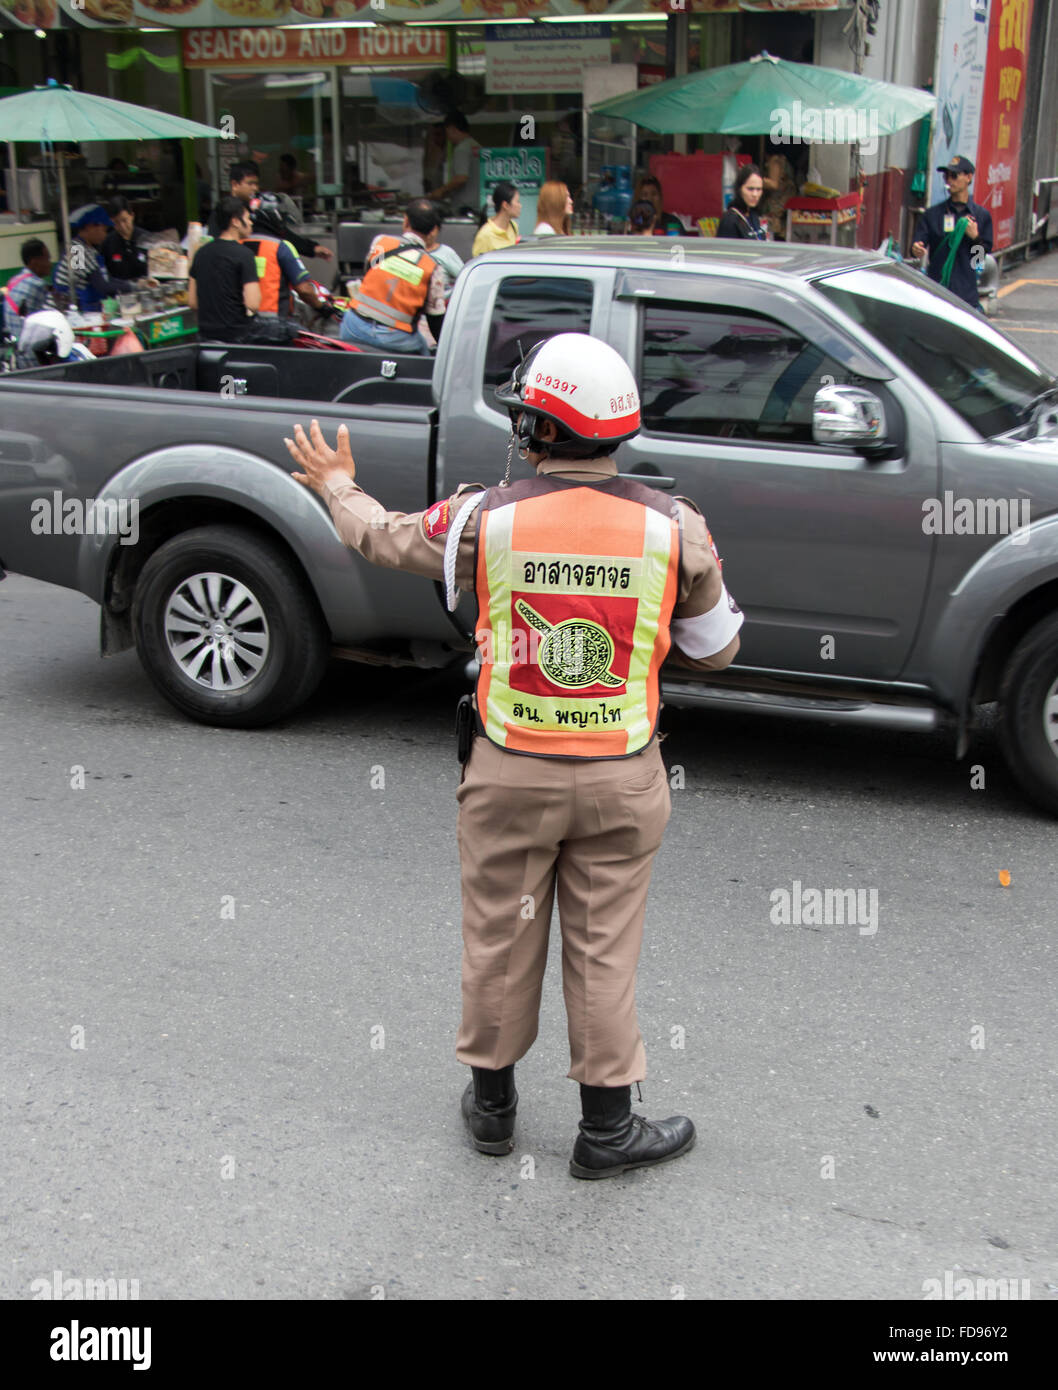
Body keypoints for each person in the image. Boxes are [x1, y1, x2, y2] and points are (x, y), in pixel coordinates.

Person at [284, 331, 744, 1180]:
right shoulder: (676, 529)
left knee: (498, 937)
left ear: (539, 429)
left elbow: (379, 537)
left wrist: (337, 485)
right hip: (621, 778)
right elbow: (718, 650)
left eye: (524, 418)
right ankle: (607, 1132)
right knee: (604, 947)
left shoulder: (482, 517)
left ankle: (493, 1111)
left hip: (507, 774)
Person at [339, 198, 446, 355]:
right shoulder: (433, 268)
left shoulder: (381, 242)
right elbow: (435, 320)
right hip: (395, 339)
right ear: (433, 230)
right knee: (425, 355)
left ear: (406, 221)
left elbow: (370, 271)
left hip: (353, 328)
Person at [911, 155, 994, 311]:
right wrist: (916, 248)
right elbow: (917, 244)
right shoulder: (933, 214)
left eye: (954, 176)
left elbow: (979, 262)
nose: (950, 180)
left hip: (965, 296)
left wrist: (975, 237)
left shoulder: (981, 216)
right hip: (937, 292)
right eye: (946, 176)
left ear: (969, 178)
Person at [209, 161, 333, 264]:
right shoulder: (221, 213)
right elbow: (214, 245)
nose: (255, 188)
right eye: (250, 183)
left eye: (256, 183)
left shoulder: (259, 211)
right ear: (235, 184)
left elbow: (281, 234)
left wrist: (312, 248)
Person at [188, 195, 260, 342]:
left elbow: (193, 302)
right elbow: (253, 304)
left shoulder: (201, 253)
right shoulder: (244, 254)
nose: (251, 222)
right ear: (235, 221)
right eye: (247, 218)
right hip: (236, 336)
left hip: (206, 336)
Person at [52, 205, 143, 312]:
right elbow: (102, 285)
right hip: (66, 310)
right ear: (90, 227)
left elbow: (106, 279)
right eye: (104, 230)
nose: (105, 235)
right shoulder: (77, 250)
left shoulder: (90, 250)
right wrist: (134, 287)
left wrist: (133, 284)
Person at [3, 238, 53, 364]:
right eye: (47, 259)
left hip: (16, 352)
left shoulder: (14, 281)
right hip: (32, 356)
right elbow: (54, 318)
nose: (50, 264)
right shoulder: (37, 285)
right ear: (34, 262)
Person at [428, 111, 478, 209]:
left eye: (446, 132)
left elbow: (461, 178)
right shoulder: (476, 146)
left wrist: (441, 190)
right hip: (477, 203)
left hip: (465, 206)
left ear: (452, 129)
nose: (447, 137)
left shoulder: (462, 149)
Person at [102, 196, 151, 282]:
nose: (122, 226)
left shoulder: (147, 239)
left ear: (132, 216)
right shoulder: (107, 243)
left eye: (125, 220)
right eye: (116, 222)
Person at [716, 165, 768, 240]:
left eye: (758, 189)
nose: (755, 194)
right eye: (750, 189)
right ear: (739, 189)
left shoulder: (754, 215)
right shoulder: (730, 220)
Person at [472, 181, 521, 257]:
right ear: (505, 205)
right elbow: (478, 264)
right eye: (517, 202)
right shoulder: (485, 235)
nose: (520, 206)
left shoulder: (513, 226)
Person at [424, 214, 465, 305]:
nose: (429, 234)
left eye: (432, 230)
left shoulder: (446, 253)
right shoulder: (409, 250)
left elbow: (465, 277)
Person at [760, 152, 796, 240]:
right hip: (769, 227)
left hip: (779, 230)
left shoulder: (787, 186)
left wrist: (750, 180)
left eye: (770, 163)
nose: (767, 165)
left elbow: (774, 184)